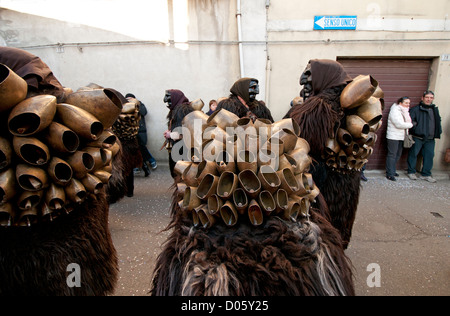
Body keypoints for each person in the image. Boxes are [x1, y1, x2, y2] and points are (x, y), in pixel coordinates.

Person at [407, 91, 442, 183]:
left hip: (430, 138)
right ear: (422, 98)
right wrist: (417, 128)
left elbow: (438, 121)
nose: (429, 99)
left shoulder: (434, 109)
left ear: (433, 99)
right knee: (413, 154)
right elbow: (411, 121)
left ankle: (426, 174)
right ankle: (411, 172)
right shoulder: (416, 109)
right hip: (418, 137)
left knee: (429, 156)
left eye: (431, 98)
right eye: (427, 97)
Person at [163, 89, 194, 178]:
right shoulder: (177, 109)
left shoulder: (182, 111)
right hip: (179, 149)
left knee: (181, 175)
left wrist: (171, 135)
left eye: (169, 99)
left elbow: (185, 132)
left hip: (183, 150)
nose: (167, 102)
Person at [126, 93, 157, 177]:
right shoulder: (125, 107)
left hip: (140, 131)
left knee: (142, 147)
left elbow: (144, 112)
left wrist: (137, 104)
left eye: (131, 99)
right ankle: (137, 166)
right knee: (133, 149)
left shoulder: (140, 105)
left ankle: (151, 160)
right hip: (130, 131)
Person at [386, 97, 413, 181]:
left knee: (398, 154)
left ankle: (393, 170)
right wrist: (410, 125)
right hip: (393, 136)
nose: (408, 104)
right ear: (400, 103)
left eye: (409, 103)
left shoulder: (405, 111)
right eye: (406, 103)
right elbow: (398, 124)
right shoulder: (395, 110)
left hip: (401, 136)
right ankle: (389, 173)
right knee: (392, 155)